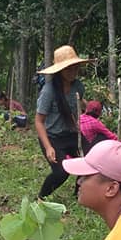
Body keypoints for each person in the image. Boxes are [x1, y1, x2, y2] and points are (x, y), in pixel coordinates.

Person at [35, 45, 88, 199]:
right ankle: (41, 198)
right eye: (68, 69)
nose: (73, 72)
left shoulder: (78, 86)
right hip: (52, 137)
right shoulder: (49, 91)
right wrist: (48, 147)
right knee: (61, 172)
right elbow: (39, 121)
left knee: (89, 161)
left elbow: (77, 103)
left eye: (75, 68)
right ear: (60, 70)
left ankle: (78, 195)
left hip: (71, 134)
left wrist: (87, 106)